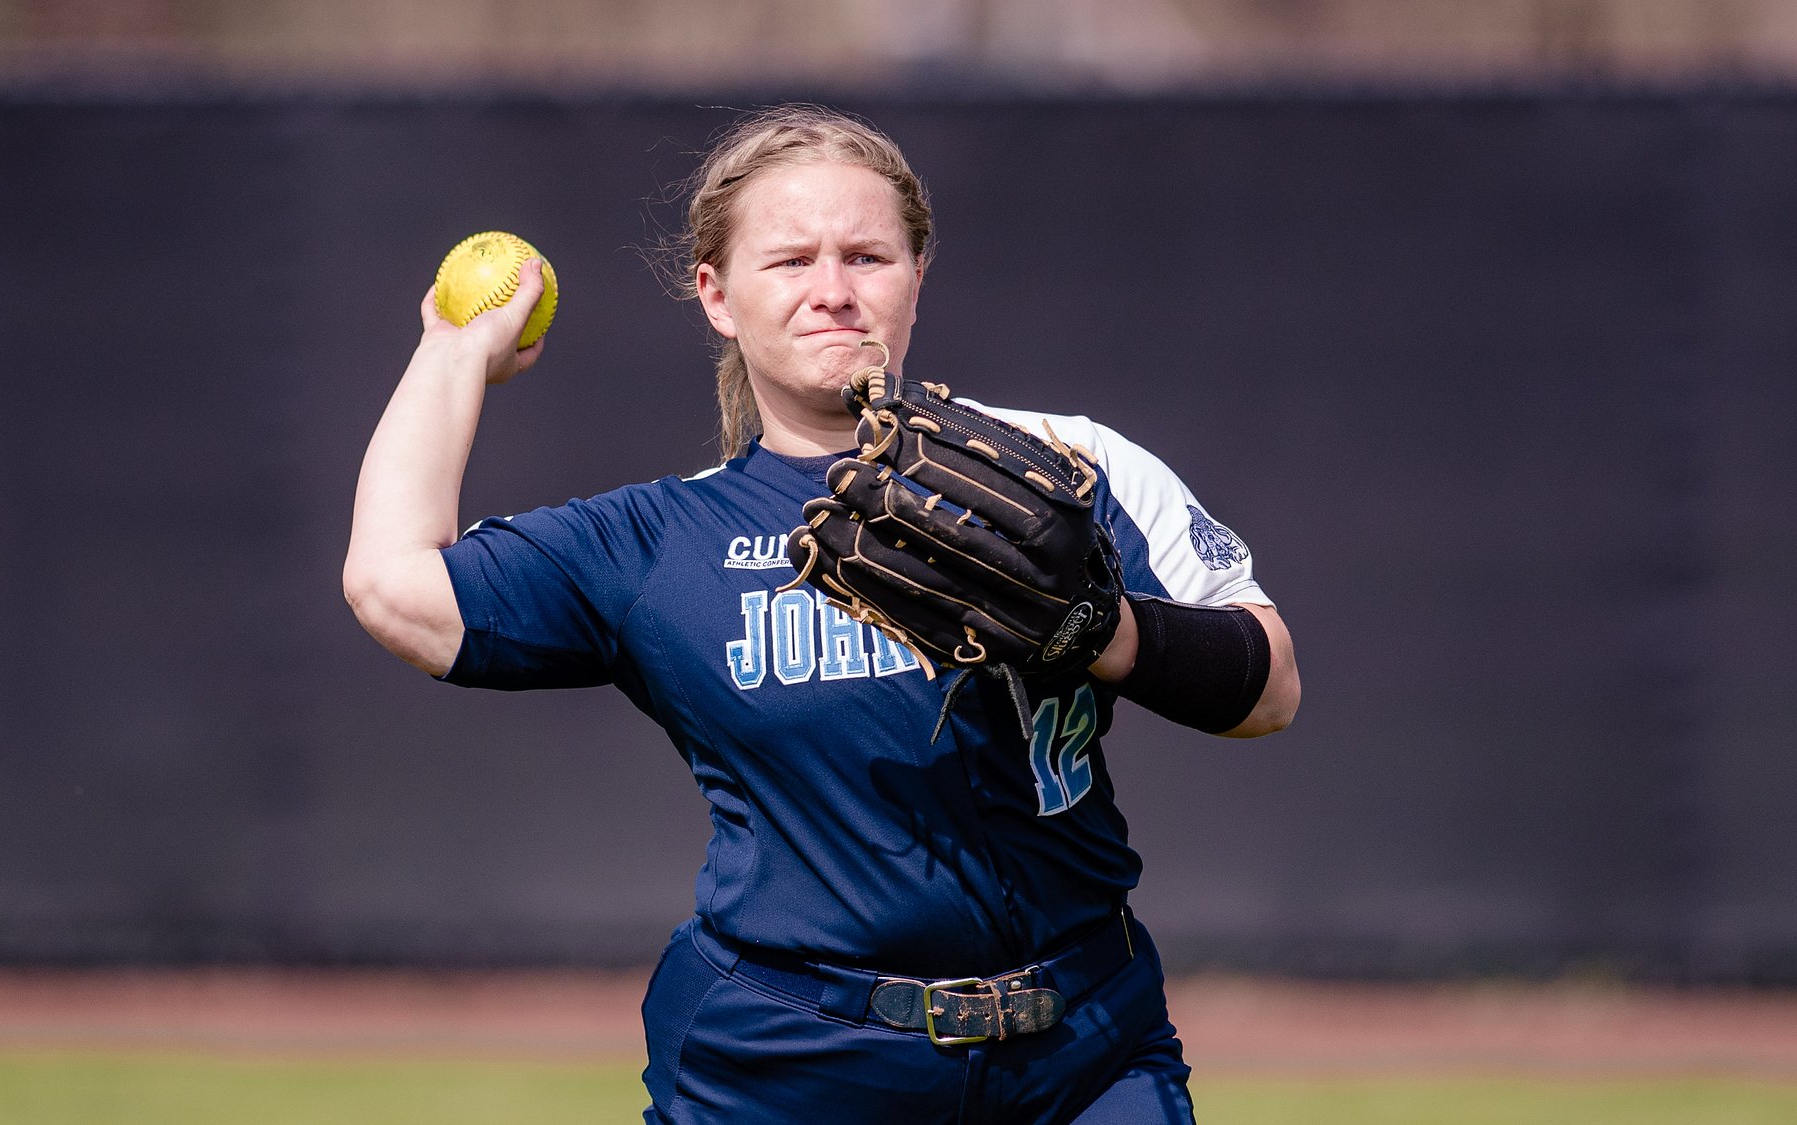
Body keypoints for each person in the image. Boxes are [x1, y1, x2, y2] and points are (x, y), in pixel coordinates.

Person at [344, 105, 1299, 1124]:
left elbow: (1269, 686)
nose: (833, 291)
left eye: (866, 255)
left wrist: (1100, 631)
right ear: (716, 296)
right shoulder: (663, 540)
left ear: (916, 277)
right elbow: (393, 588)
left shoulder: (1066, 470)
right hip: (792, 1064)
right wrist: (454, 352)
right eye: (789, 260)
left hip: (1083, 1053)